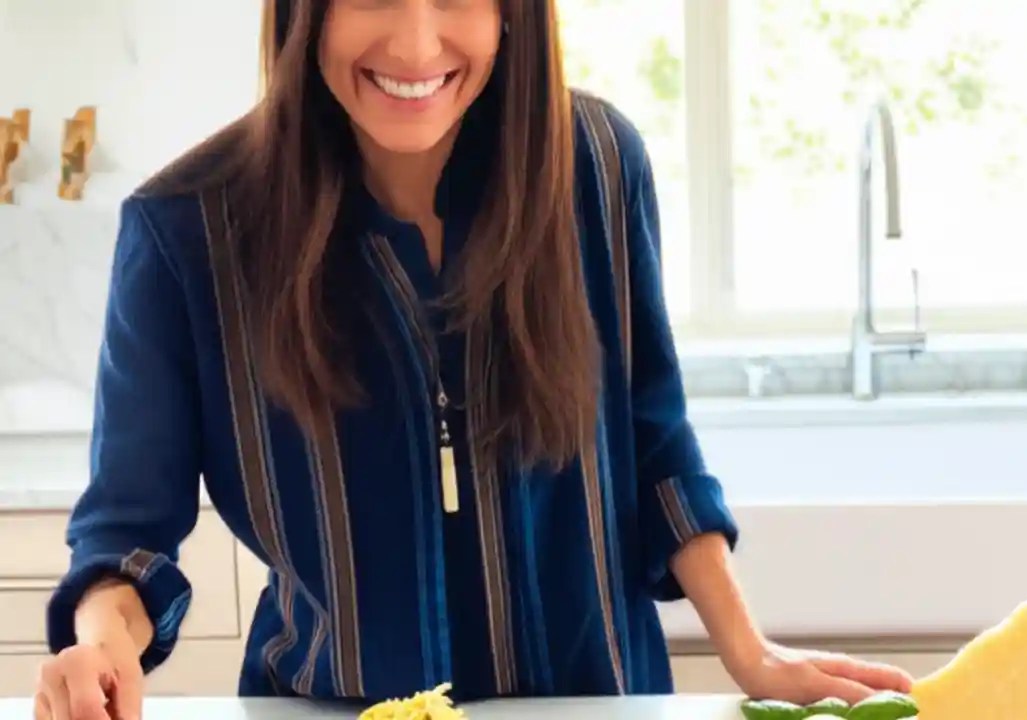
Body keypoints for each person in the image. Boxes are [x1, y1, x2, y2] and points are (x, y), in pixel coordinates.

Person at [33, 1, 913, 717]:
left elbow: (658, 451)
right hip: (331, 706)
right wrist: (101, 648)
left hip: (598, 704)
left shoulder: (598, 166)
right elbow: (126, 532)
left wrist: (750, 654)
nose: (417, 44)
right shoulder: (188, 232)